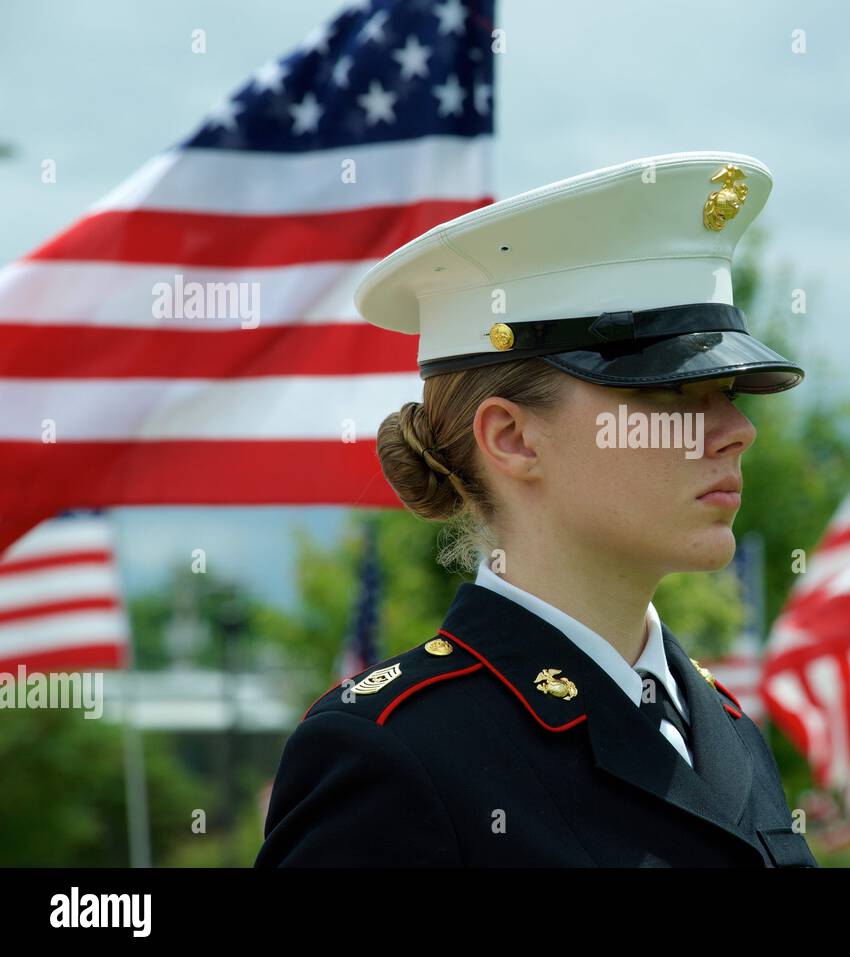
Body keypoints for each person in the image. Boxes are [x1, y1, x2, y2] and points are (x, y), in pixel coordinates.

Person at [254, 151, 818, 867]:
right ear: (512, 437)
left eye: (730, 393)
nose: (738, 430)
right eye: (671, 394)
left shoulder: (724, 730)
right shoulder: (394, 755)